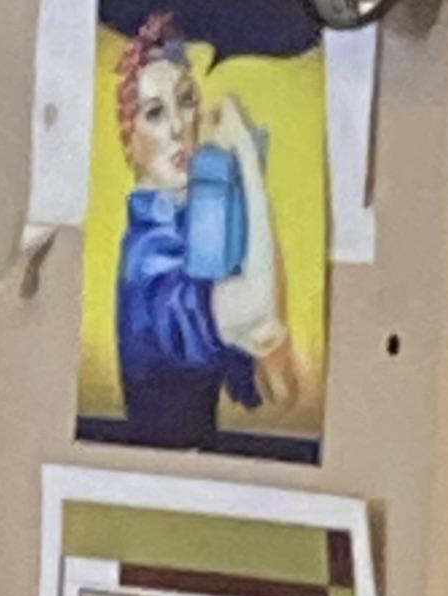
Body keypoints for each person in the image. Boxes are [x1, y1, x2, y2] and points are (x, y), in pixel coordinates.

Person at [110, 15, 302, 453]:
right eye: (155, 114)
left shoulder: (198, 231)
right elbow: (254, 312)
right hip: (157, 468)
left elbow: (275, 393)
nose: (179, 128)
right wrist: (249, 166)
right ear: (130, 141)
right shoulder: (149, 256)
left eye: (186, 101)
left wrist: (266, 348)